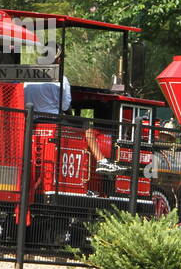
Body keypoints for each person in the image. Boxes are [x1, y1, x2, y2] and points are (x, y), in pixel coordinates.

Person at [23, 46, 124, 174]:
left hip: (33, 122)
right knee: (86, 125)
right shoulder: (61, 79)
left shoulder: (29, 77)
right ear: (58, 59)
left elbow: (24, 100)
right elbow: (65, 107)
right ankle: (101, 161)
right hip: (53, 121)